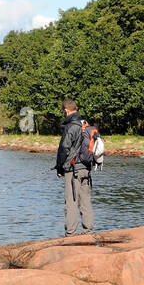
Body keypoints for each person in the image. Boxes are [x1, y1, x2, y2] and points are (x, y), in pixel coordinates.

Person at [55, 98, 93, 236]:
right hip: (86, 169)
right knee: (85, 201)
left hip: (73, 170)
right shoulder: (85, 124)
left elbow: (64, 148)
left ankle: (70, 234)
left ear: (66, 110)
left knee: (71, 202)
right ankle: (88, 231)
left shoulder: (70, 126)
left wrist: (59, 168)